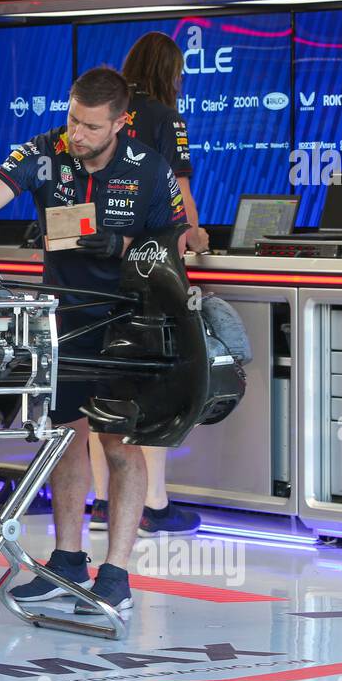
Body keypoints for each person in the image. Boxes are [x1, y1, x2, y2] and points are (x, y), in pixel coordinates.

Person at [0, 66, 187, 618]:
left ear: (119, 123)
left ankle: (115, 575)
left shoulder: (150, 169)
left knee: (118, 446)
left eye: (90, 126)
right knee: (62, 441)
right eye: (72, 120)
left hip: (127, 324)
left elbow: (172, 247)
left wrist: (121, 243)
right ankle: (67, 562)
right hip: (63, 320)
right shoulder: (45, 153)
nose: (77, 135)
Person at [88, 32, 206, 535]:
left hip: (97, 261)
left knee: (102, 381)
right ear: (169, 72)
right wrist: (196, 236)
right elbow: (177, 189)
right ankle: (153, 503)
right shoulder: (165, 117)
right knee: (153, 378)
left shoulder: (103, 113)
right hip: (150, 260)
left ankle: (100, 503)